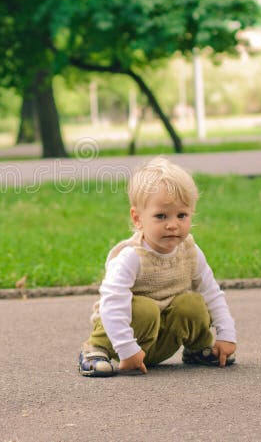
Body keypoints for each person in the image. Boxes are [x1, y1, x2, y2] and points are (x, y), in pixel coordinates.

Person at [78, 156, 237, 377]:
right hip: (122, 336)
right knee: (145, 309)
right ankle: (95, 350)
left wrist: (226, 334)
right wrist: (126, 349)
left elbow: (212, 293)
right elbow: (112, 301)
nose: (173, 224)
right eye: (161, 216)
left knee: (192, 303)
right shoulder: (132, 256)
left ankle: (198, 349)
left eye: (182, 215)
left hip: (162, 339)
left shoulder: (190, 252)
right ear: (138, 218)